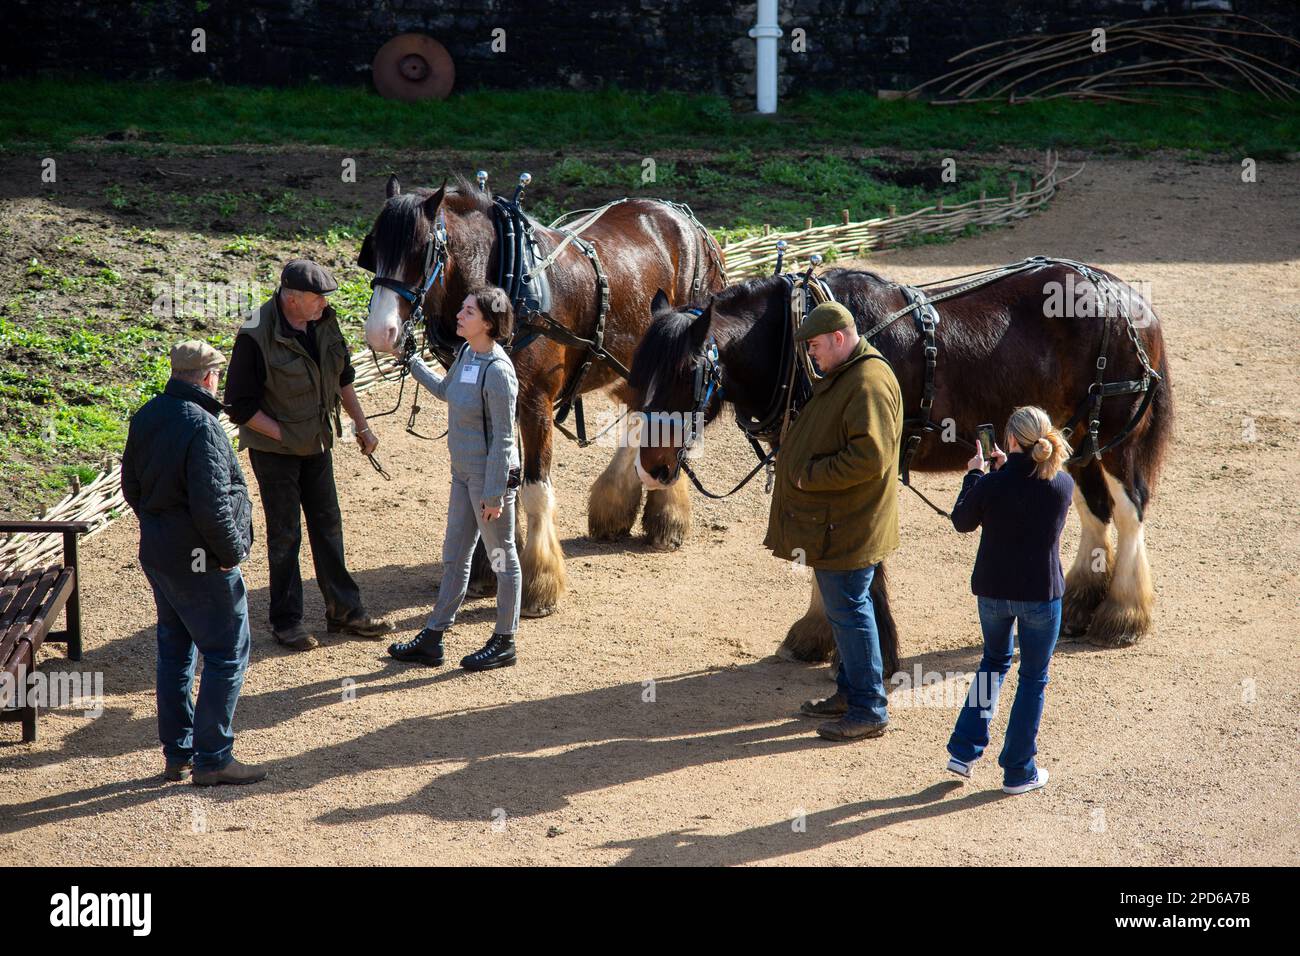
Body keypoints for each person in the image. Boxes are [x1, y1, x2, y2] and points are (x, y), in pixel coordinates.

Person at [224, 259, 391, 651]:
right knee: (285, 534)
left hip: (317, 445)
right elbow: (239, 406)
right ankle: (286, 621)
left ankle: (345, 612)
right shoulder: (254, 332)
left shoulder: (322, 320)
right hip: (274, 452)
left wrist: (362, 426)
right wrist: (285, 434)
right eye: (317, 298)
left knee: (328, 523)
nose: (324, 304)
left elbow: (343, 375)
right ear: (292, 298)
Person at [121, 341, 267, 786]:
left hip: (160, 554)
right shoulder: (203, 426)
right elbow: (212, 506)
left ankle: (178, 754)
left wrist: (160, 526)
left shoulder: (147, 415)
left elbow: (132, 488)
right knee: (226, 653)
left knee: (175, 652)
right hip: (201, 560)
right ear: (207, 378)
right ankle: (214, 758)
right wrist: (228, 555)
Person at [763, 301, 903, 741]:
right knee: (845, 614)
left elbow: (871, 457)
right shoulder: (850, 374)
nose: (812, 355)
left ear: (840, 338)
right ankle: (849, 694)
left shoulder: (867, 382)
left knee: (851, 612)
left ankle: (869, 708)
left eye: (817, 346)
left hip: (848, 526)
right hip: (838, 523)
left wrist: (809, 475)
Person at [388, 285, 522, 671]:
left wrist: (495, 492)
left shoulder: (498, 372)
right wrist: (411, 361)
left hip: (488, 480)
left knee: (501, 557)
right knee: (455, 556)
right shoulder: (466, 354)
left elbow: (504, 437)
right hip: (462, 474)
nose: (459, 316)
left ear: (487, 323)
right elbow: (446, 391)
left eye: (467, 311)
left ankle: (504, 640)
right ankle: (433, 638)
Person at [945, 405, 1074, 795]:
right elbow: (1027, 497)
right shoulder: (1063, 485)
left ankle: (964, 751)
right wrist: (1001, 474)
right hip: (1040, 595)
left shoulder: (992, 484)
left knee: (993, 662)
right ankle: (1018, 771)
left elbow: (962, 521)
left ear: (1011, 440)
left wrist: (975, 476)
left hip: (994, 593)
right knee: (1032, 678)